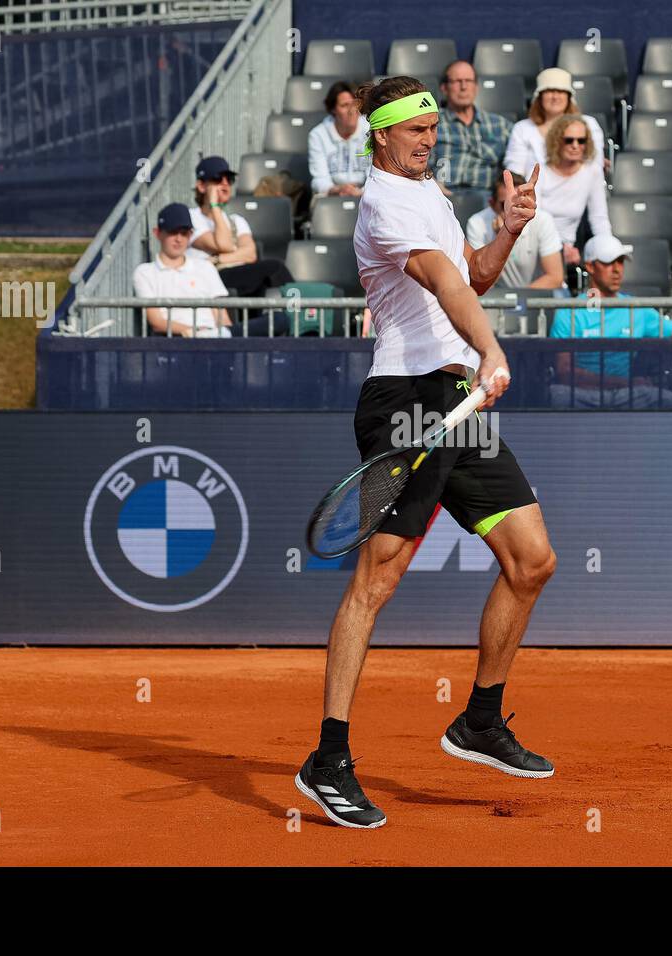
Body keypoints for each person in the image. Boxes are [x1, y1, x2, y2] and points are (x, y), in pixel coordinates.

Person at [294, 76, 556, 830]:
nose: (427, 139)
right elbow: (443, 283)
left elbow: (471, 271)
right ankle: (329, 757)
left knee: (532, 559)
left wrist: (506, 229)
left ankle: (479, 720)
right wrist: (491, 347)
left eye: (433, 129)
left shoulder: (430, 195)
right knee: (377, 580)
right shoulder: (383, 204)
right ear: (378, 133)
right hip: (407, 401)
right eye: (413, 129)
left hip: (455, 404)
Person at [551, 235, 672, 408]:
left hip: (627, 395)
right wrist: (624, 383)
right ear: (590, 266)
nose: (617, 269)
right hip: (584, 394)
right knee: (556, 396)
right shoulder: (570, 311)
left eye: (620, 262)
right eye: (609, 262)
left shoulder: (637, 309)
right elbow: (564, 372)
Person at [188, 155, 294, 302]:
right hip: (206, 279)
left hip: (235, 275)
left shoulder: (237, 220)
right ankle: (300, 314)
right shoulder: (191, 218)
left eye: (229, 179)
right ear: (201, 186)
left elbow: (250, 254)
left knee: (261, 285)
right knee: (274, 267)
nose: (225, 184)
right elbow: (224, 244)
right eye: (218, 179)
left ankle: (284, 320)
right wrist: (214, 207)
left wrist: (216, 258)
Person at [132, 203, 233, 337]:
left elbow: (221, 316)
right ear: (157, 233)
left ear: (190, 235)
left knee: (266, 323)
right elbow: (156, 322)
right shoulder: (144, 272)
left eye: (184, 233)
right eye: (172, 232)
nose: (179, 239)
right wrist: (197, 332)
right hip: (177, 341)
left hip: (214, 339)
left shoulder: (206, 268)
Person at [533, 114, 612, 266]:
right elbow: (535, 218)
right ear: (557, 141)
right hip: (537, 244)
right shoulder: (539, 170)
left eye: (581, 141)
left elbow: (599, 219)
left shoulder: (592, 172)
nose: (575, 145)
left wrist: (607, 253)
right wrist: (559, 249)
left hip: (567, 249)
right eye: (569, 140)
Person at [431, 60, 514, 201]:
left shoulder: (500, 125)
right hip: (443, 194)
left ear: (476, 87)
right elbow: (418, 165)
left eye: (468, 81)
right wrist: (431, 185)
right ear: (444, 88)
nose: (463, 87)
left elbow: (516, 164)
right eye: (457, 81)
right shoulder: (432, 123)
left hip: (488, 199)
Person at [465, 172, 564, 289]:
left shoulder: (543, 220)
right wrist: (501, 238)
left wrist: (520, 302)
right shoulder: (477, 223)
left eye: (519, 203)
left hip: (534, 302)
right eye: (504, 204)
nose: (513, 210)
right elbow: (481, 283)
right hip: (497, 301)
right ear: (492, 204)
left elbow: (555, 277)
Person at [504, 67, 606, 177]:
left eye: (561, 91)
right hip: (534, 192)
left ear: (569, 96)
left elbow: (595, 164)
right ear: (540, 96)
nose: (555, 97)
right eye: (549, 91)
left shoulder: (589, 124)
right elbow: (515, 171)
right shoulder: (522, 128)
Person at [308, 81, 372, 199]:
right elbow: (319, 179)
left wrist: (361, 192)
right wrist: (336, 190)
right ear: (333, 110)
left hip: (365, 193)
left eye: (354, 104)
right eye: (344, 105)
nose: (351, 110)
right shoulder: (318, 135)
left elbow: (375, 175)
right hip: (333, 196)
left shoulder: (371, 130)